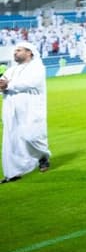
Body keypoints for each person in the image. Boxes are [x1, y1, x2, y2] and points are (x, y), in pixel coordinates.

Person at [0, 41, 52, 183]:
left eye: (19, 50)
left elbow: (31, 83)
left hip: (31, 108)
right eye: (15, 50)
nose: (15, 53)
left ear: (29, 52)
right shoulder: (11, 70)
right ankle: (12, 173)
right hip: (11, 110)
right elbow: (2, 83)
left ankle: (43, 157)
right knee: (12, 142)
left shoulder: (37, 67)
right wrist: (3, 85)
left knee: (32, 137)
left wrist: (9, 84)